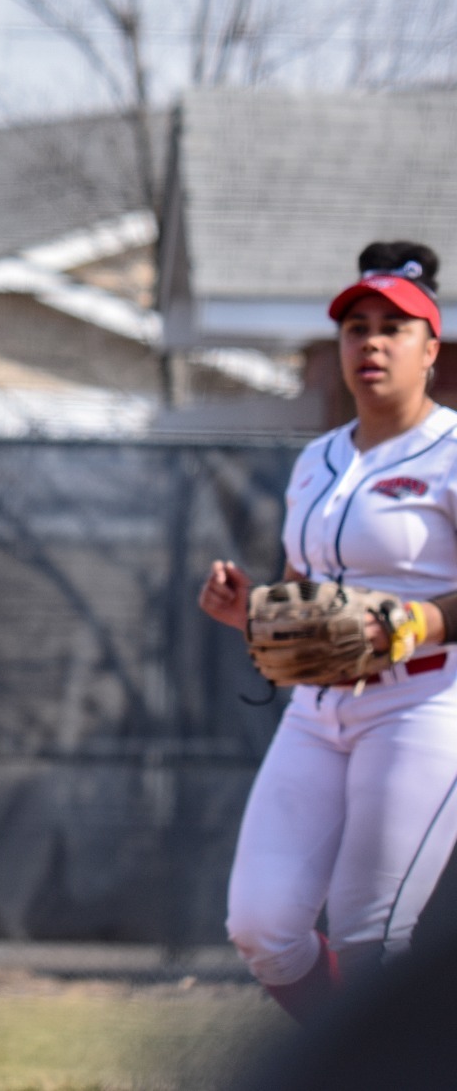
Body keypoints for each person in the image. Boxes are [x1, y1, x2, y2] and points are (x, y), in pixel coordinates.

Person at [200, 239, 457, 1024]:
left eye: (393, 327)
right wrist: (254, 608)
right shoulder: (316, 458)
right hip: (317, 708)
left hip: (421, 703)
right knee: (262, 926)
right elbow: (312, 594)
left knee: (369, 933)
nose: (371, 342)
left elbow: (407, 615)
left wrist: (421, 618)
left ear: (430, 346)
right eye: (356, 328)